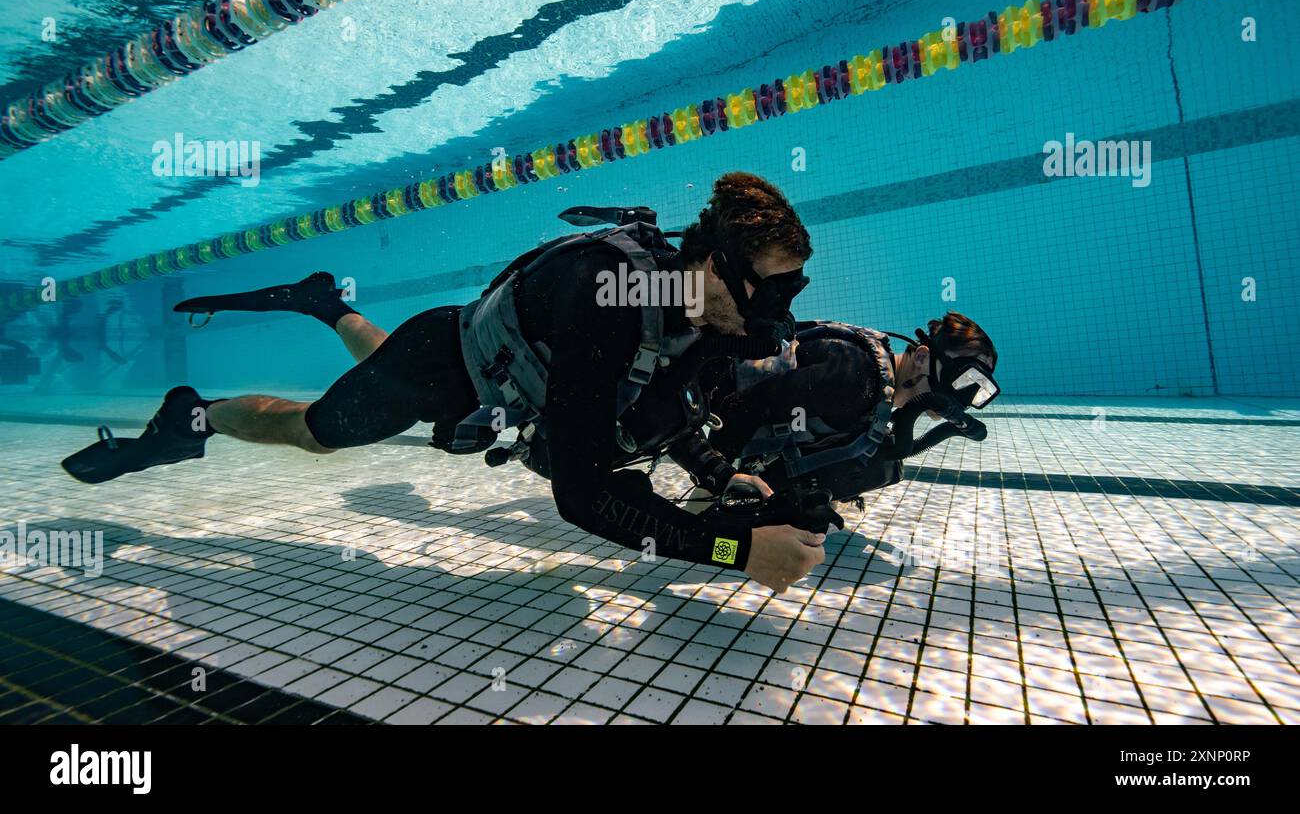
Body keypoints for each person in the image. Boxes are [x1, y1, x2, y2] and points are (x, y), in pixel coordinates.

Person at [62, 173, 826, 592]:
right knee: (314, 432)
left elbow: (674, 413)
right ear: (716, 265)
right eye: (775, 288)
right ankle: (197, 414)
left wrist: (720, 475)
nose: (782, 314)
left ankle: (327, 303)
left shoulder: (697, 310)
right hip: (443, 367)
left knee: (375, 370)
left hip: (495, 372)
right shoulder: (611, 294)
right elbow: (582, 492)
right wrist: (731, 549)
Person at [690, 312, 998, 526]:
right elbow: (743, 406)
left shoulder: (876, 388)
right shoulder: (857, 379)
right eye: (962, 377)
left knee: (883, 462)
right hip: (703, 385)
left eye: (976, 388)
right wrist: (710, 491)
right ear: (920, 357)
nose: (962, 396)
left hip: (733, 404)